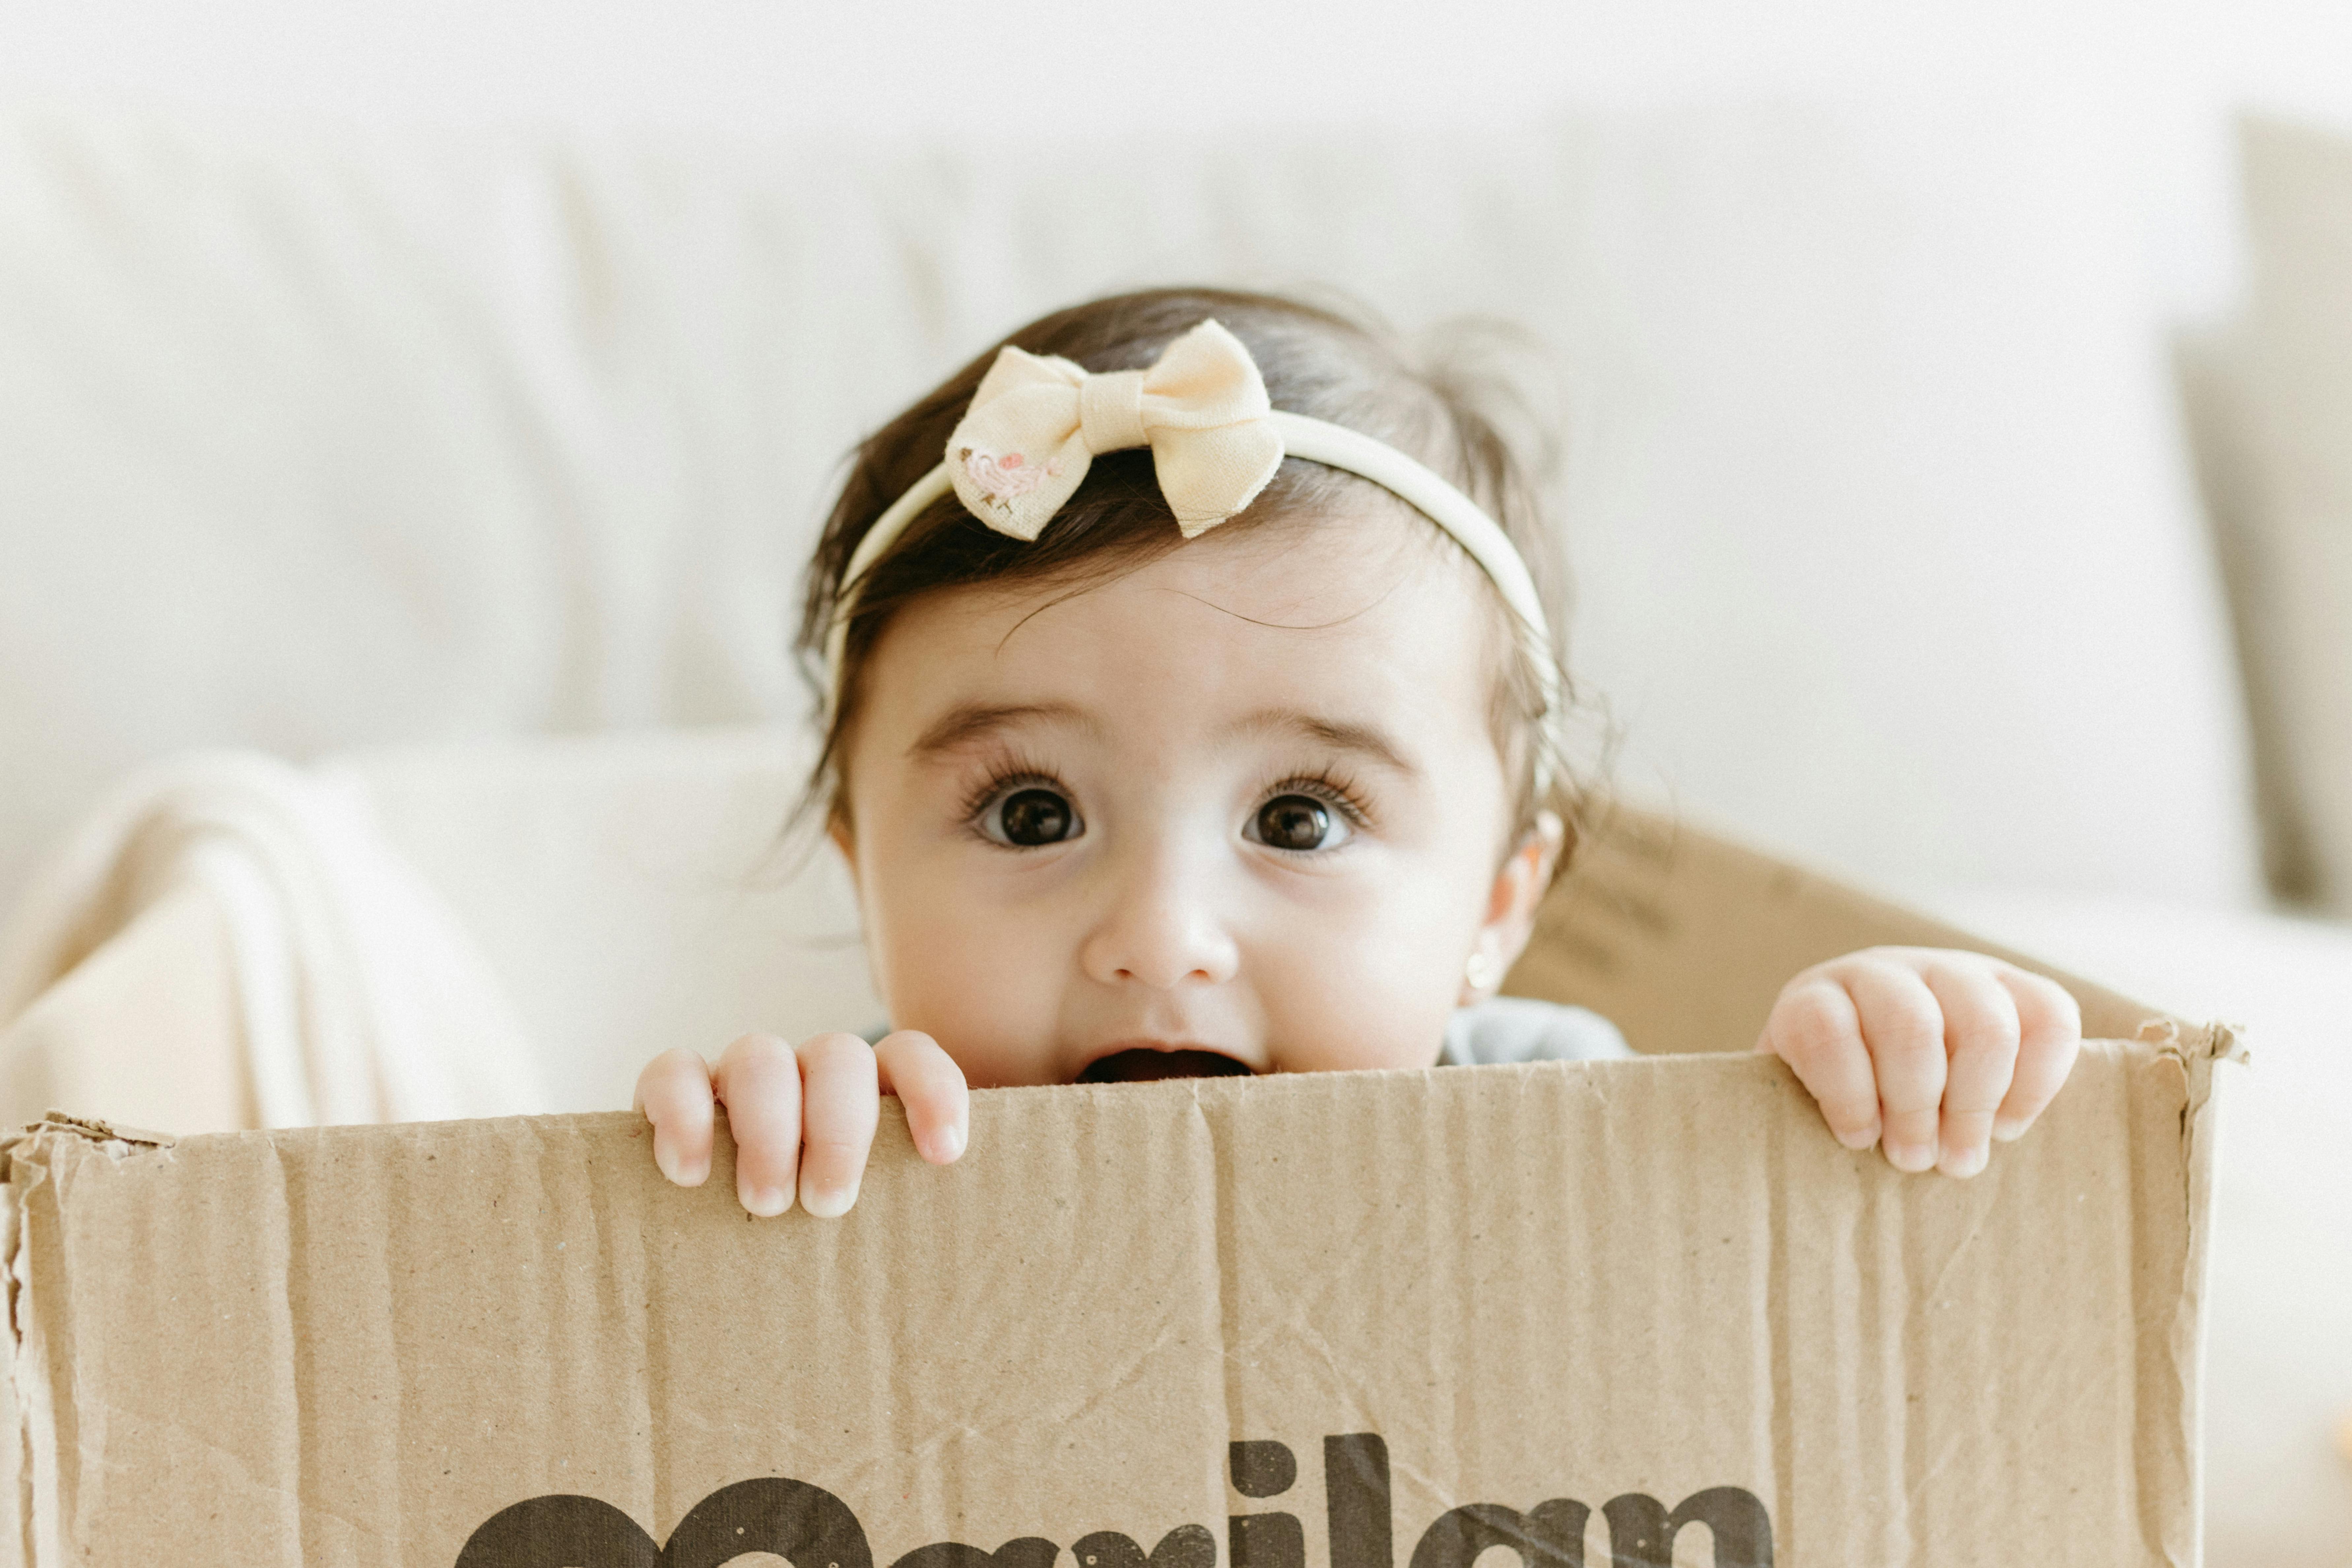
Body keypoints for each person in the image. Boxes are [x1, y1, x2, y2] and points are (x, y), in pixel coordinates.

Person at [633, 288, 2082, 1219]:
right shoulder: (862, 1144)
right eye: (1030, 814)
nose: (1161, 939)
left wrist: (1863, 1077)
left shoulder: (1558, 1121)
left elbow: (1734, 1298)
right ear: (864, 876)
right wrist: (729, 1179)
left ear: (1497, 909)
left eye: (1301, 820)